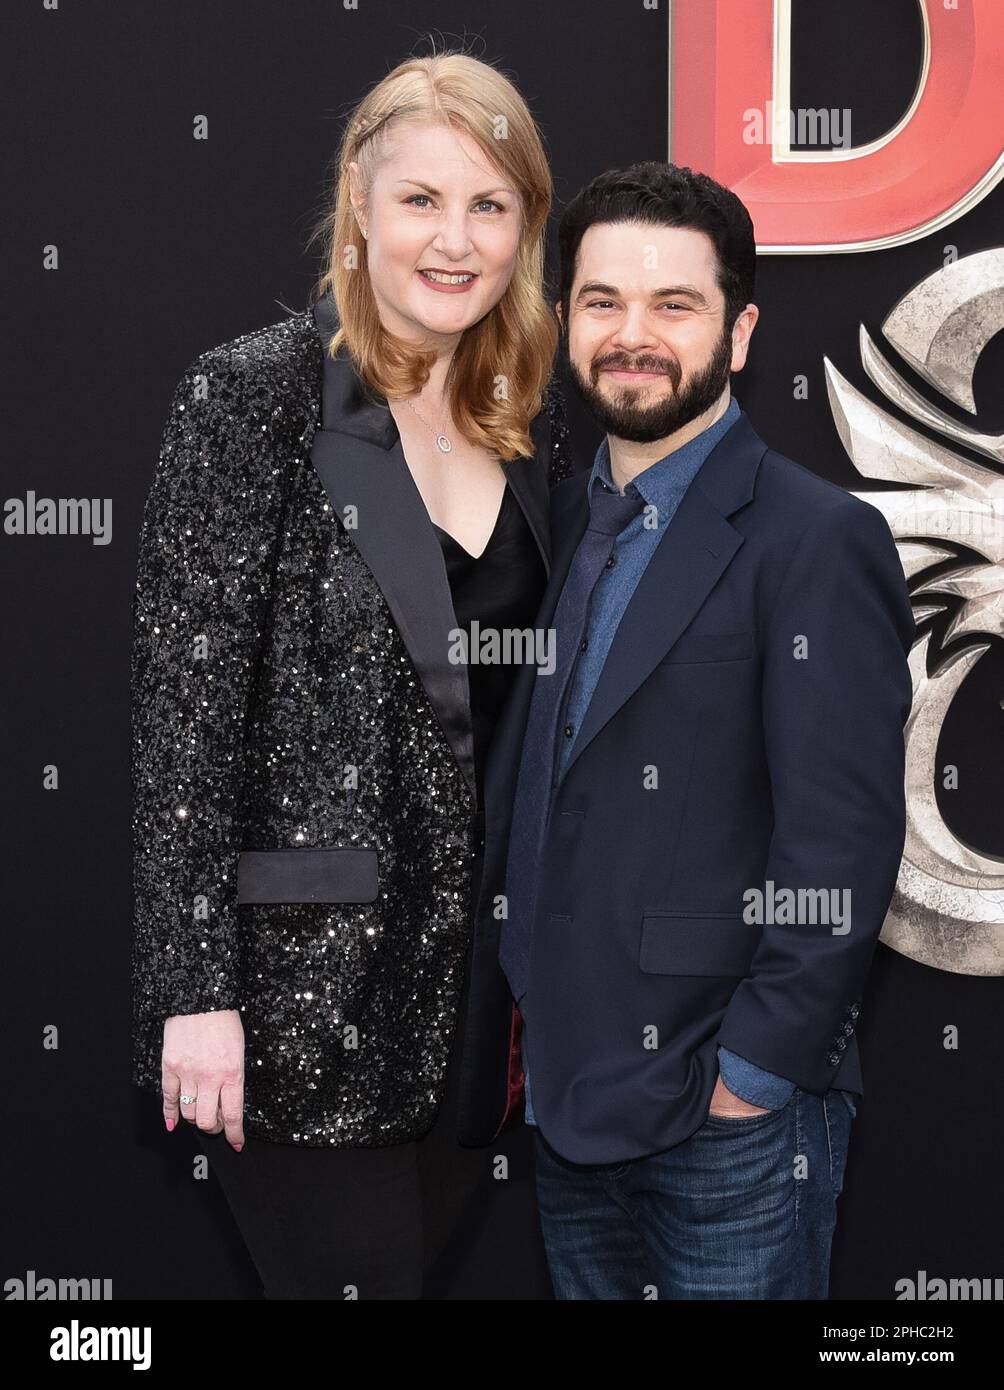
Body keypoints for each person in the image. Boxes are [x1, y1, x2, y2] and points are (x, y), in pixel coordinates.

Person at [130, 48, 572, 1300]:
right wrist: (194, 993)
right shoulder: (251, 397)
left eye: (490, 205)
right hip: (298, 1006)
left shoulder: (530, 423)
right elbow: (184, 723)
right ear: (356, 207)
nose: (454, 238)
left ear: (524, 229)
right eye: (420, 199)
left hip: (479, 1016)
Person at [458, 162, 916, 1298]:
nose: (633, 336)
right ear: (564, 319)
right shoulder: (552, 524)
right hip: (569, 1108)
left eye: (675, 305)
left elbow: (842, 840)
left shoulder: (815, 540)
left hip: (728, 1123)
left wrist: (752, 1074)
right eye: (603, 301)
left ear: (740, 329)